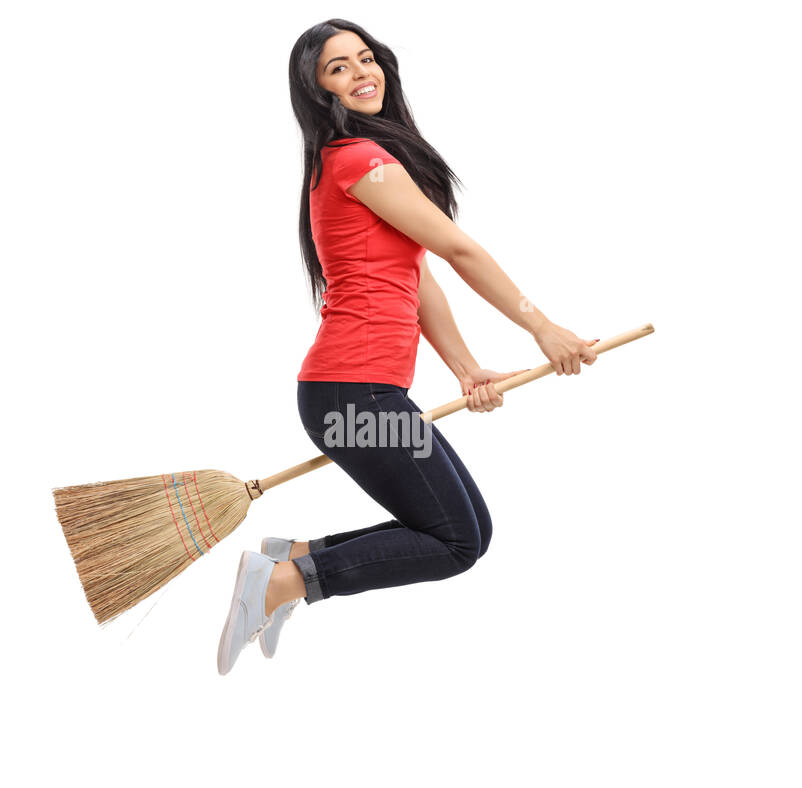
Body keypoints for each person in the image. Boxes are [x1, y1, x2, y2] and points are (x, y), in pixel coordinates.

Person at [217, 19, 597, 674]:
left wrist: (466, 369)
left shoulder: (355, 162)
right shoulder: (358, 161)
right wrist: (542, 326)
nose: (361, 73)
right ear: (315, 89)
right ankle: (286, 581)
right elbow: (457, 248)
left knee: (469, 528)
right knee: (455, 542)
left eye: (367, 59)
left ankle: (295, 555)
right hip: (351, 391)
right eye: (338, 67)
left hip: (360, 391)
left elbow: (418, 280)